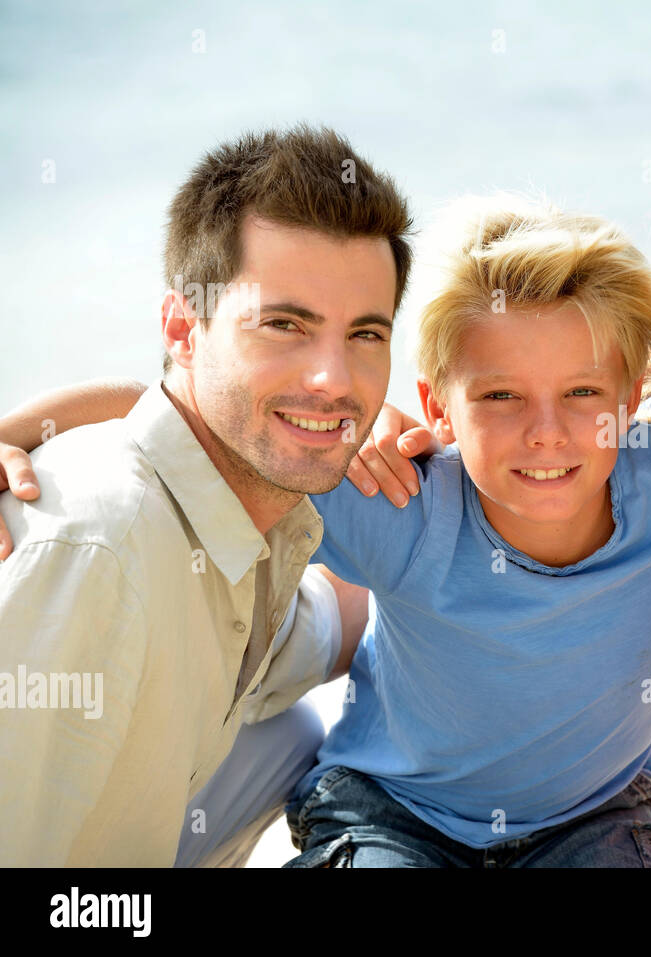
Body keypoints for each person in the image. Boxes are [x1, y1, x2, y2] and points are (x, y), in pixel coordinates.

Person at [0, 194, 651, 867]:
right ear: (437, 407)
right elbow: (199, 415)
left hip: (590, 813)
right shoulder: (401, 502)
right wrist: (18, 427)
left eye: (583, 392)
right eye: (500, 395)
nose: (546, 433)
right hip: (394, 813)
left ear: (630, 399)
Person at [0, 125, 411, 865]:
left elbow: (326, 630)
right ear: (184, 329)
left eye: (365, 335)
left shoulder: (248, 525)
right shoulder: (102, 547)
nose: (335, 380)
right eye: (286, 324)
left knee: (289, 734)